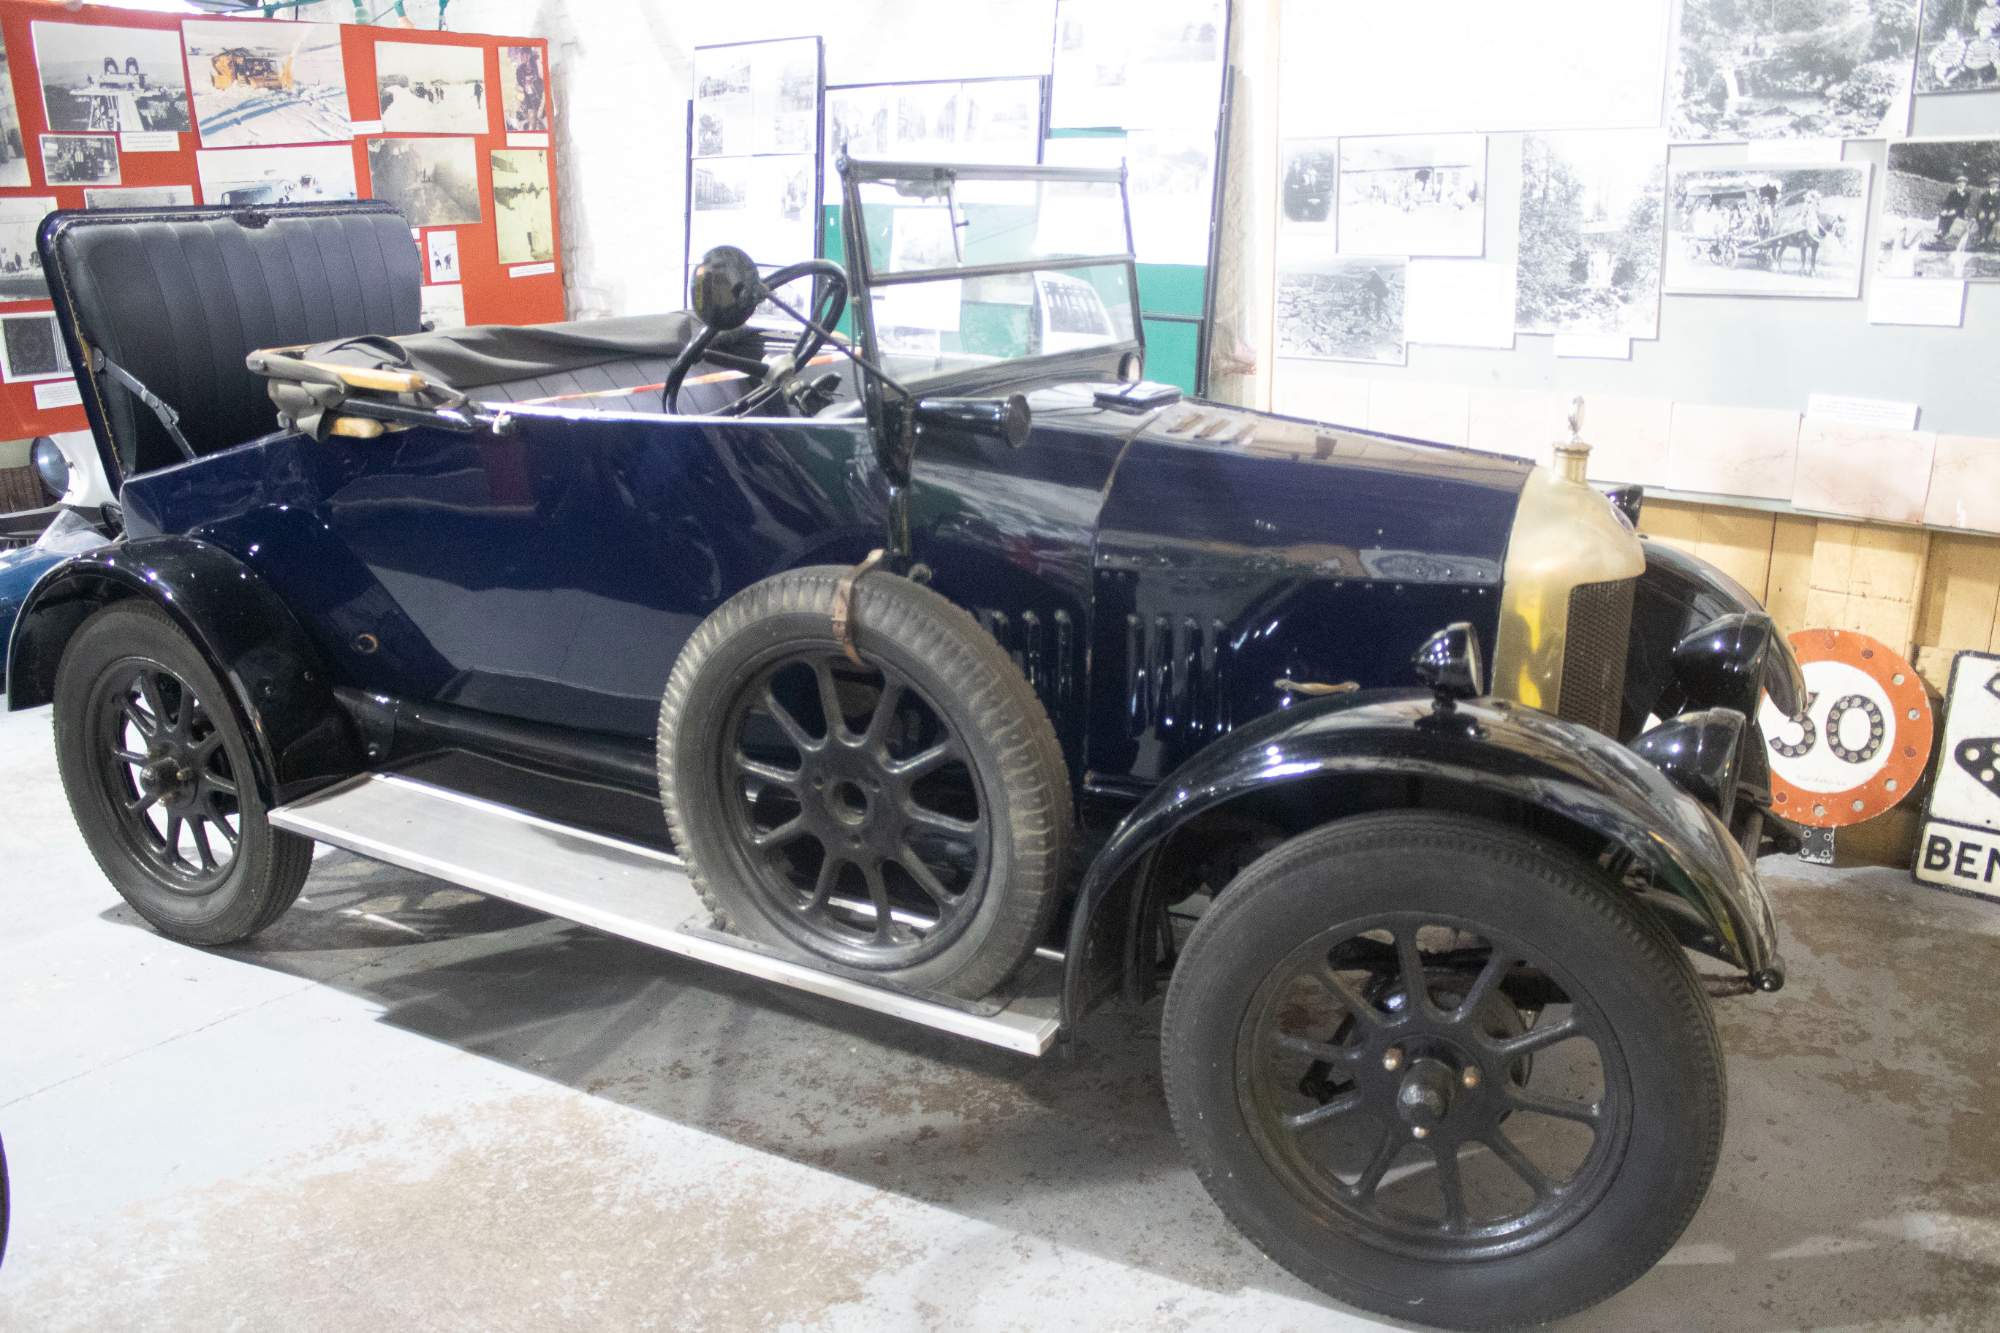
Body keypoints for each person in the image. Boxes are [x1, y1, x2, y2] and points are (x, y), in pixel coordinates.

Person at [1937, 172, 1974, 243]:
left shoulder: (1967, 193)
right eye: (1959, 182)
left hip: (1960, 212)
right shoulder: (1952, 192)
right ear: (1957, 183)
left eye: (1963, 183)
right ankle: (1940, 231)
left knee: (1951, 217)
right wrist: (1945, 210)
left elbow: (1964, 205)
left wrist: (1955, 211)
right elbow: (1946, 203)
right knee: (1942, 215)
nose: (1961, 184)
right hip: (1950, 211)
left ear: (1965, 184)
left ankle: (1946, 234)